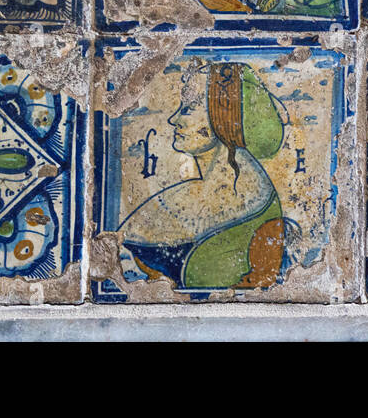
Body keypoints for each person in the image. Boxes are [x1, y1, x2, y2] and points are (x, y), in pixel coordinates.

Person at [119, 62, 287, 289]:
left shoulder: (259, 210)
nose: (174, 119)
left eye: (188, 109)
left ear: (224, 118)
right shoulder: (178, 197)